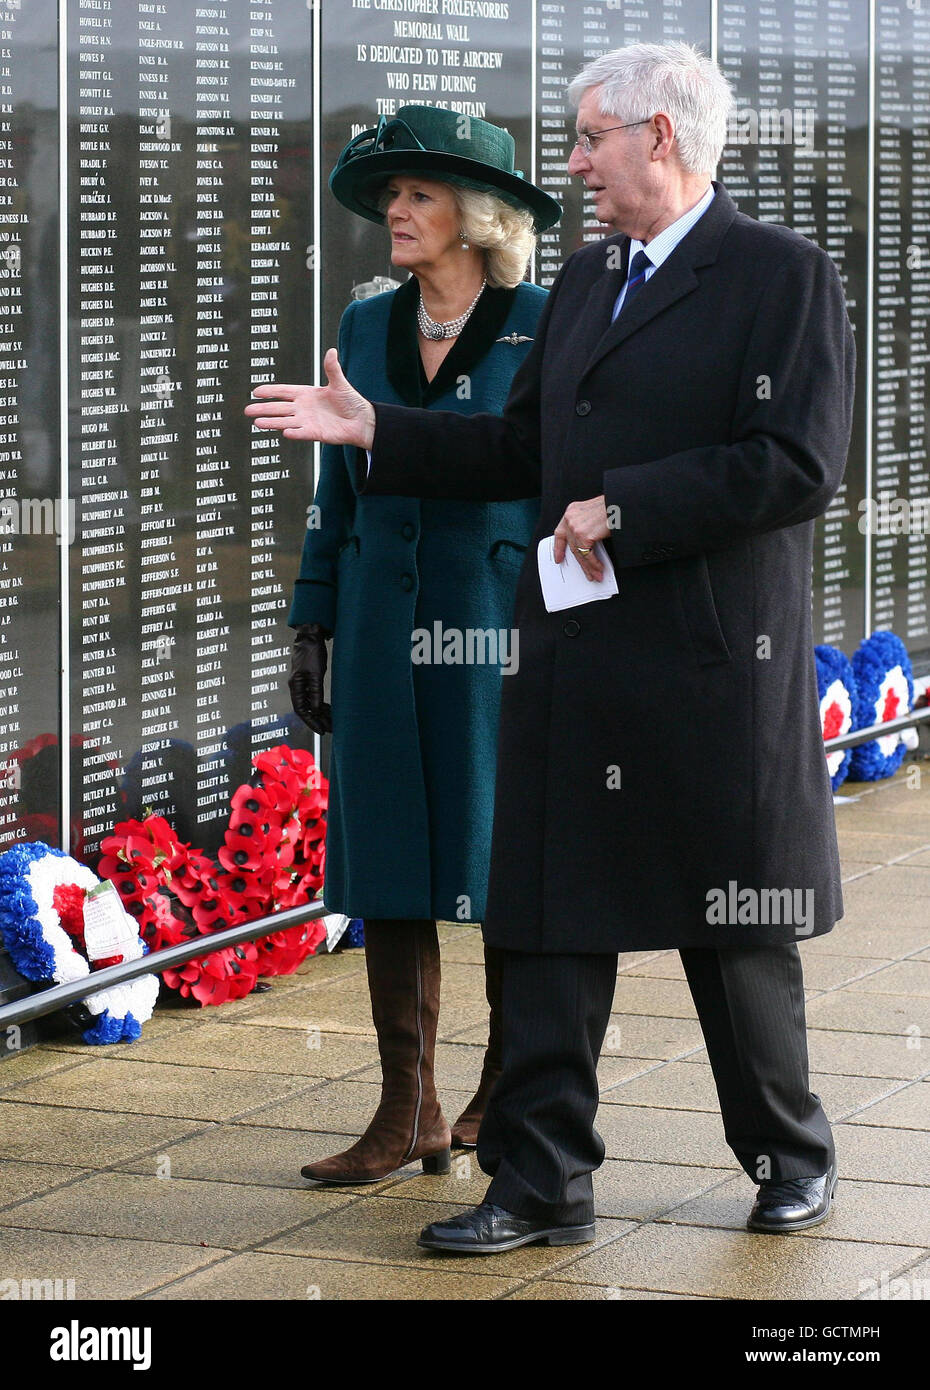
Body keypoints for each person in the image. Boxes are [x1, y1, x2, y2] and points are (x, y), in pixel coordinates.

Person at [248, 43, 855, 1248]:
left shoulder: (779, 278)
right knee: (547, 929)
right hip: (571, 667)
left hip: (708, 670)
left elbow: (796, 464)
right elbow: (520, 454)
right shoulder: (586, 280)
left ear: (662, 139)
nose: (572, 161)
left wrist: (625, 507)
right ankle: (537, 1182)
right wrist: (383, 431)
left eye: (590, 138)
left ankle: (789, 1152)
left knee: (731, 937)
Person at [247, 106, 561, 1185]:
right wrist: (313, 613)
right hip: (384, 625)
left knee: (501, 857)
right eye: (392, 195)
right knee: (389, 861)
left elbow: (543, 464)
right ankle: (407, 1107)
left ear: (476, 215)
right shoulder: (367, 324)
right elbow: (334, 491)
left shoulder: (544, 322)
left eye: (419, 194)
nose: (397, 211)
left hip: (495, 627)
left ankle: (508, 1087)